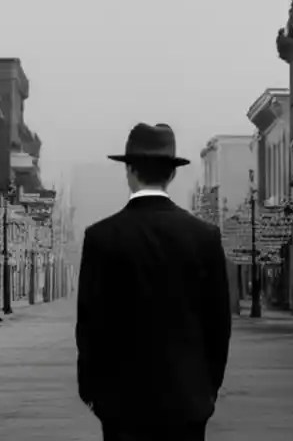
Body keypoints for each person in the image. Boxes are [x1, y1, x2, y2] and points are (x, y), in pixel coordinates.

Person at [76, 122, 232, 441]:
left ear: (129, 171)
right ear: (172, 174)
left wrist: (92, 391)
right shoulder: (204, 237)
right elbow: (218, 325)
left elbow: (89, 325)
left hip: (121, 403)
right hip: (187, 400)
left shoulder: (101, 237)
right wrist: (208, 389)